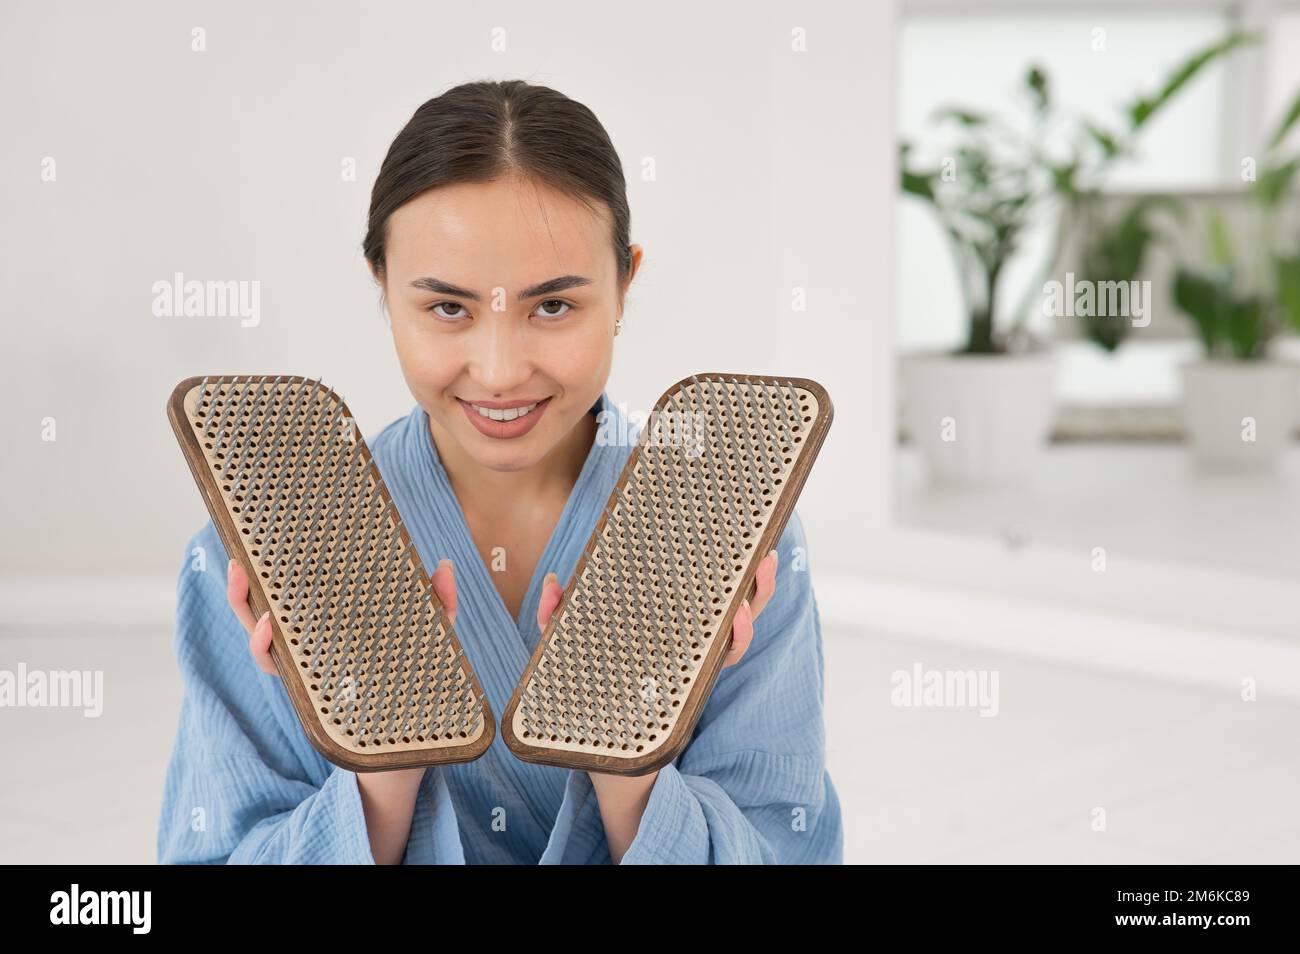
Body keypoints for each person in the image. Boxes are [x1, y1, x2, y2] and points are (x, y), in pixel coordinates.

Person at [156, 79, 842, 864]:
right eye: (447, 308)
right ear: (382, 287)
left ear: (625, 284)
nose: (500, 369)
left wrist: (631, 764)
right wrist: (384, 765)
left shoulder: (738, 529)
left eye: (553, 307)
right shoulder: (258, 544)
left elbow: (786, 842)